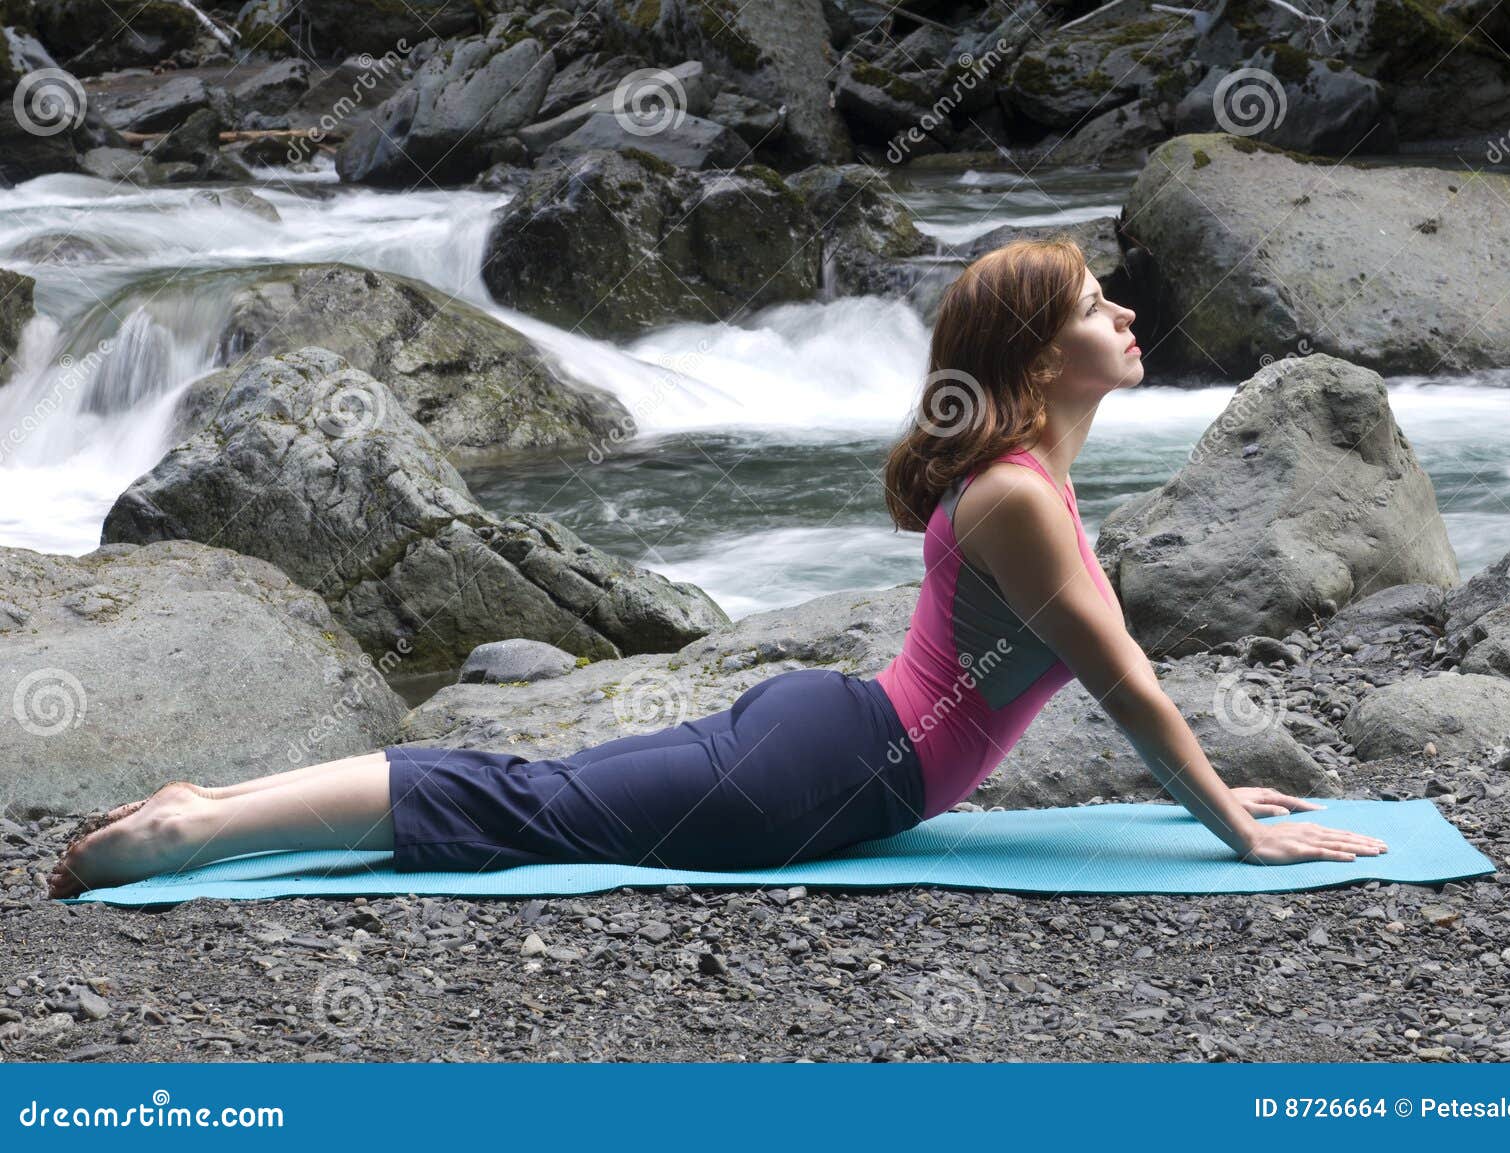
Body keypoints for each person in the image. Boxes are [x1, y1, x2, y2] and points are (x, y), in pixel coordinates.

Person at [46, 237, 1386, 900]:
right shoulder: (1020, 499)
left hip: (833, 744)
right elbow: (1128, 685)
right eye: (1100, 305)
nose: (1130, 314)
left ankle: (210, 801)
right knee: (529, 805)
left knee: (537, 790)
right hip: (831, 765)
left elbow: (1108, 690)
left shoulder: (1026, 481)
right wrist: (1230, 823)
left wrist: (1204, 796)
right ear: (1042, 355)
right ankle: (194, 827)